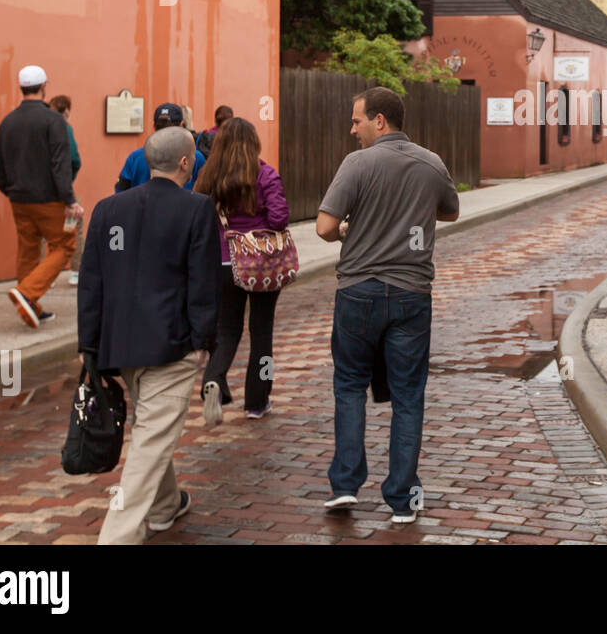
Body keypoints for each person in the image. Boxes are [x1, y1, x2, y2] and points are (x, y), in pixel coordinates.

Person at [315, 87, 459, 523]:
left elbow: (323, 227)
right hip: (411, 294)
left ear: (380, 120)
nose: (352, 129)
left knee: (349, 385)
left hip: (359, 291)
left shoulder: (357, 164)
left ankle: (344, 485)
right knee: (408, 395)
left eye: (357, 120)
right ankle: (402, 499)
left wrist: (349, 232)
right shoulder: (431, 162)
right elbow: (449, 211)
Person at [78, 127, 221, 545]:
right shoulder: (198, 209)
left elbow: (92, 282)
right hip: (171, 345)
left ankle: (165, 507)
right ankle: (116, 536)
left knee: (151, 430)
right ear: (184, 163)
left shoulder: (107, 209)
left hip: (120, 344)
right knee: (148, 444)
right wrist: (203, 342)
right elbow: (203, 283)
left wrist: (89, 346)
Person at [196, 117, 290, 423]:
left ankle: (214, 377)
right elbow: (278, 219)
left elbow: (200, 220)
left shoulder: (209, 178)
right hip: (260, 264)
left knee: (226, 330)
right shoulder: (264, 174)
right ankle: (257, 401)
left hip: (222, 263)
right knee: (262, 333)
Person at [0, 65, 81, 328]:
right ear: (44, 87)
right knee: (64, 245)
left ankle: (29, 305)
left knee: (28, 250)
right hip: (48, 198)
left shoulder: (7, 121)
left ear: (22, 88)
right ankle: (28, 293)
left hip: (18, 198)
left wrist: (10, 190)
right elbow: (60, 165)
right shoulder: (54, 121)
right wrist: (70, 199)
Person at [115, 103, 205, 192]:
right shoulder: (194, 156)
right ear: (181, 125)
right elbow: (206, 189)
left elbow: (120, 191)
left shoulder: (135, 157)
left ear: (154, 126)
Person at [49, 95, 83, 287]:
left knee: (44, 231)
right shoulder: (64, 128)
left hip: (40, 191)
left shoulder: (40, 125)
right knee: (74, 228)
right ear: (66, 110)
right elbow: (74, 159)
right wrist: (68, 181)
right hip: (62, 189)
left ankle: (45, 272)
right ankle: (76, 271)